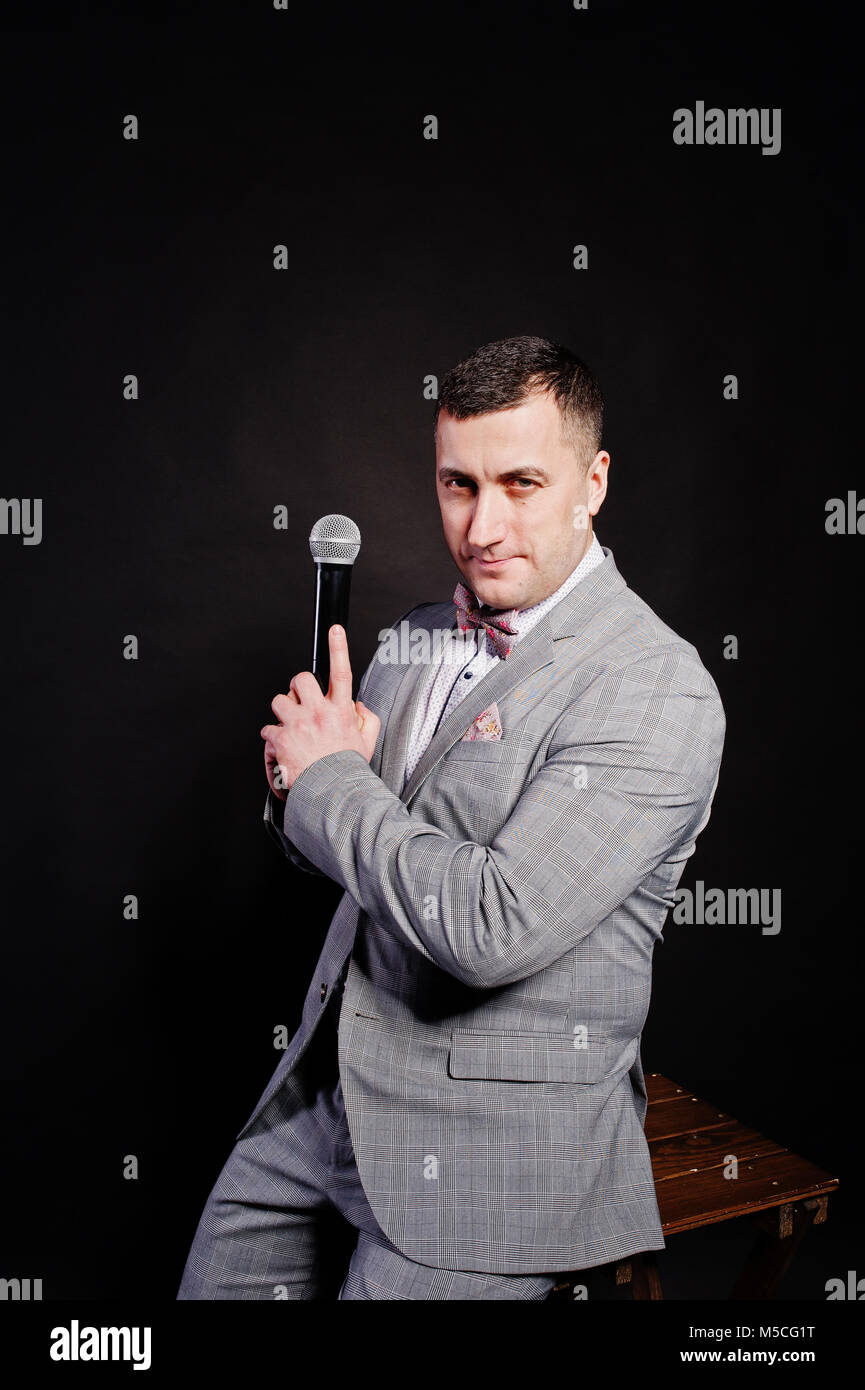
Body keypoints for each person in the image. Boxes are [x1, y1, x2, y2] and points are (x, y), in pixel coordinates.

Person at [176, 334, 726, 1300]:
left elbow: (488, 924)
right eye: (457, 485)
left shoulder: (656, 689)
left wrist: (330, 783)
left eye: (520, 483)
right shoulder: (419, 637)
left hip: (488, 1156)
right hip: (322, 1100)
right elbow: (351, 851)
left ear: (592, 482)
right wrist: (294, 785)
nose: (482, 526)